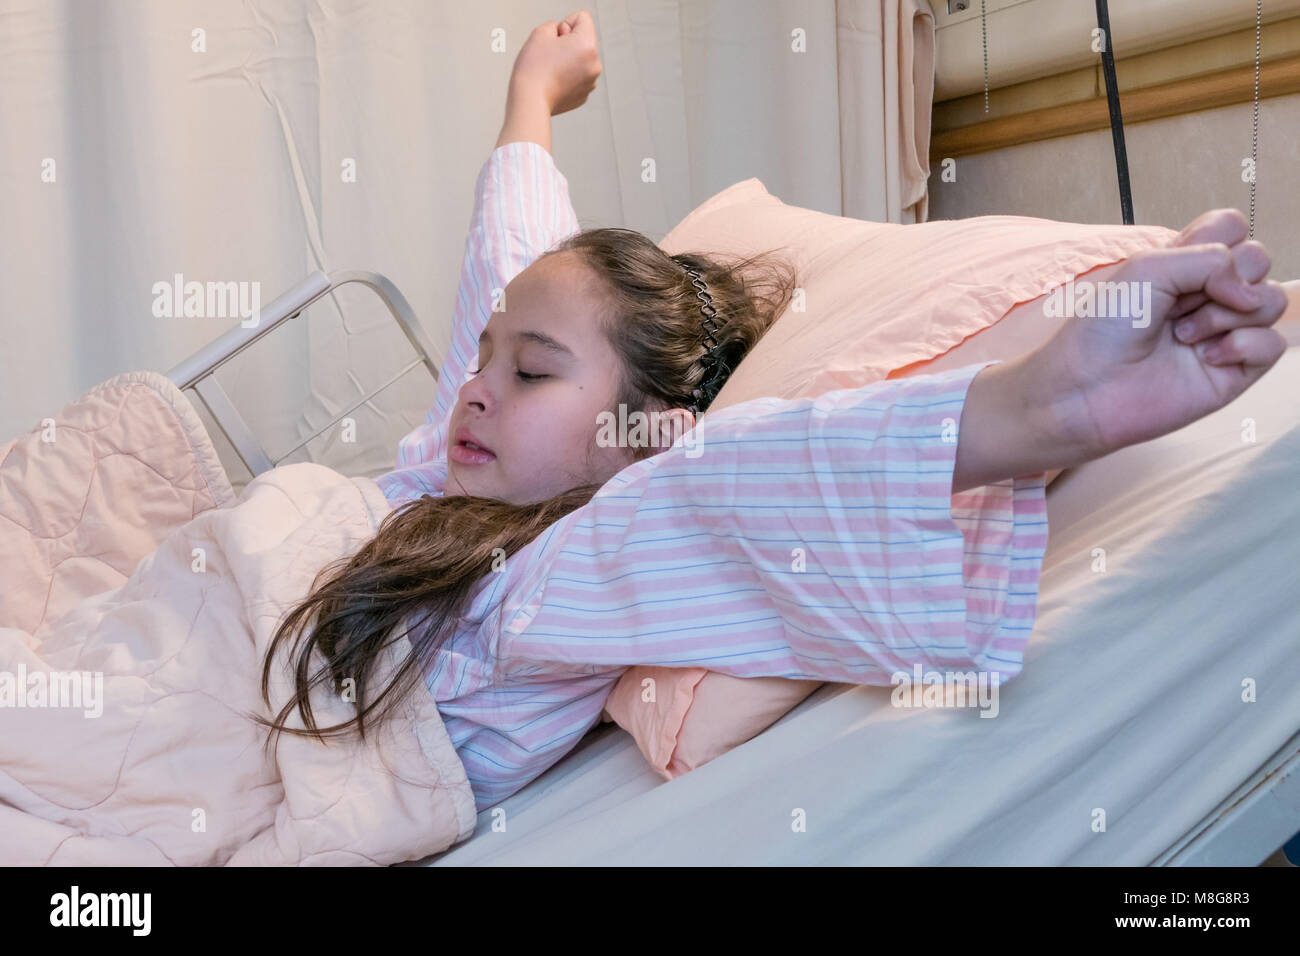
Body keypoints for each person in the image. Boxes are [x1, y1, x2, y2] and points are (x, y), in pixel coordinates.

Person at [256, 11, 1291, 813]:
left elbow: (735, 493)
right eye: (486, 358)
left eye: (530, 371)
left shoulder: (556, 572)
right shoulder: (460, 459)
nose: (478, 384)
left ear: (642, 434)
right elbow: (507, 265)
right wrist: (531, 95)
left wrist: (1042, 405)